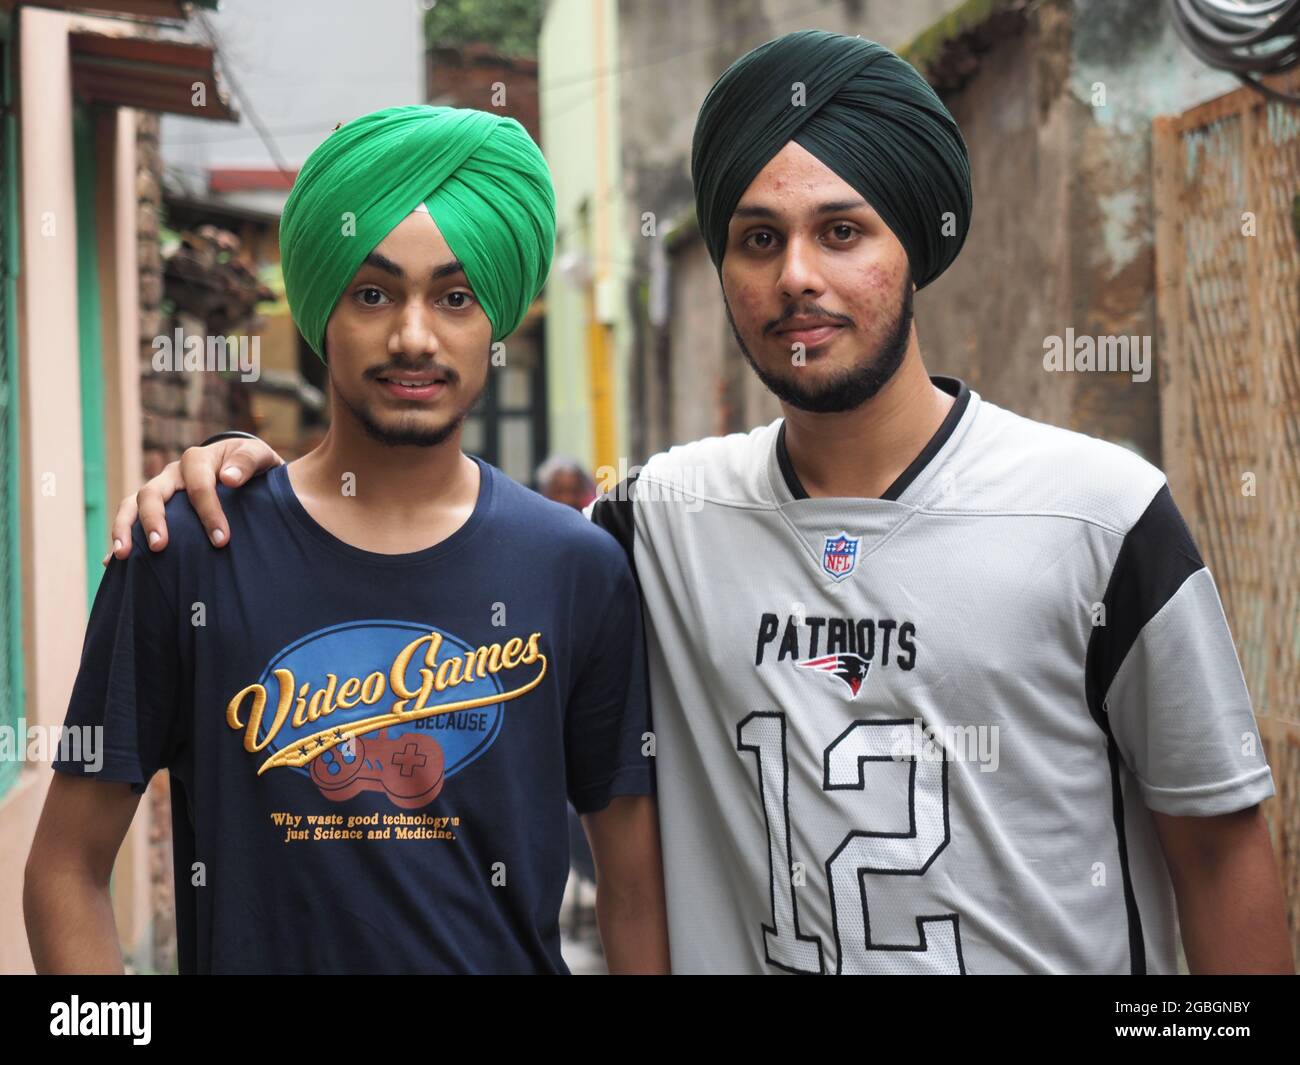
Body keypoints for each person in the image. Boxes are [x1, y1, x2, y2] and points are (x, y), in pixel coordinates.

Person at [98, 32, 1292, 974]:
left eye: (842, 231)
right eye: (756, 238)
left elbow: (1217, 845)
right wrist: (227, 464)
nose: (798, 279)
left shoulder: (1100, 518)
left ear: (914, 249)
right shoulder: (656, 523)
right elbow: (418, 528)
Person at [25, 104, 668, 975]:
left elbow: (632, 895)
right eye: (373, 293)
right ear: (323, 306)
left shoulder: (577, 567)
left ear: (495, 322)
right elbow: (64, 868)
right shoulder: (191, 549)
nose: (413, 335)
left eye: (454, 296)